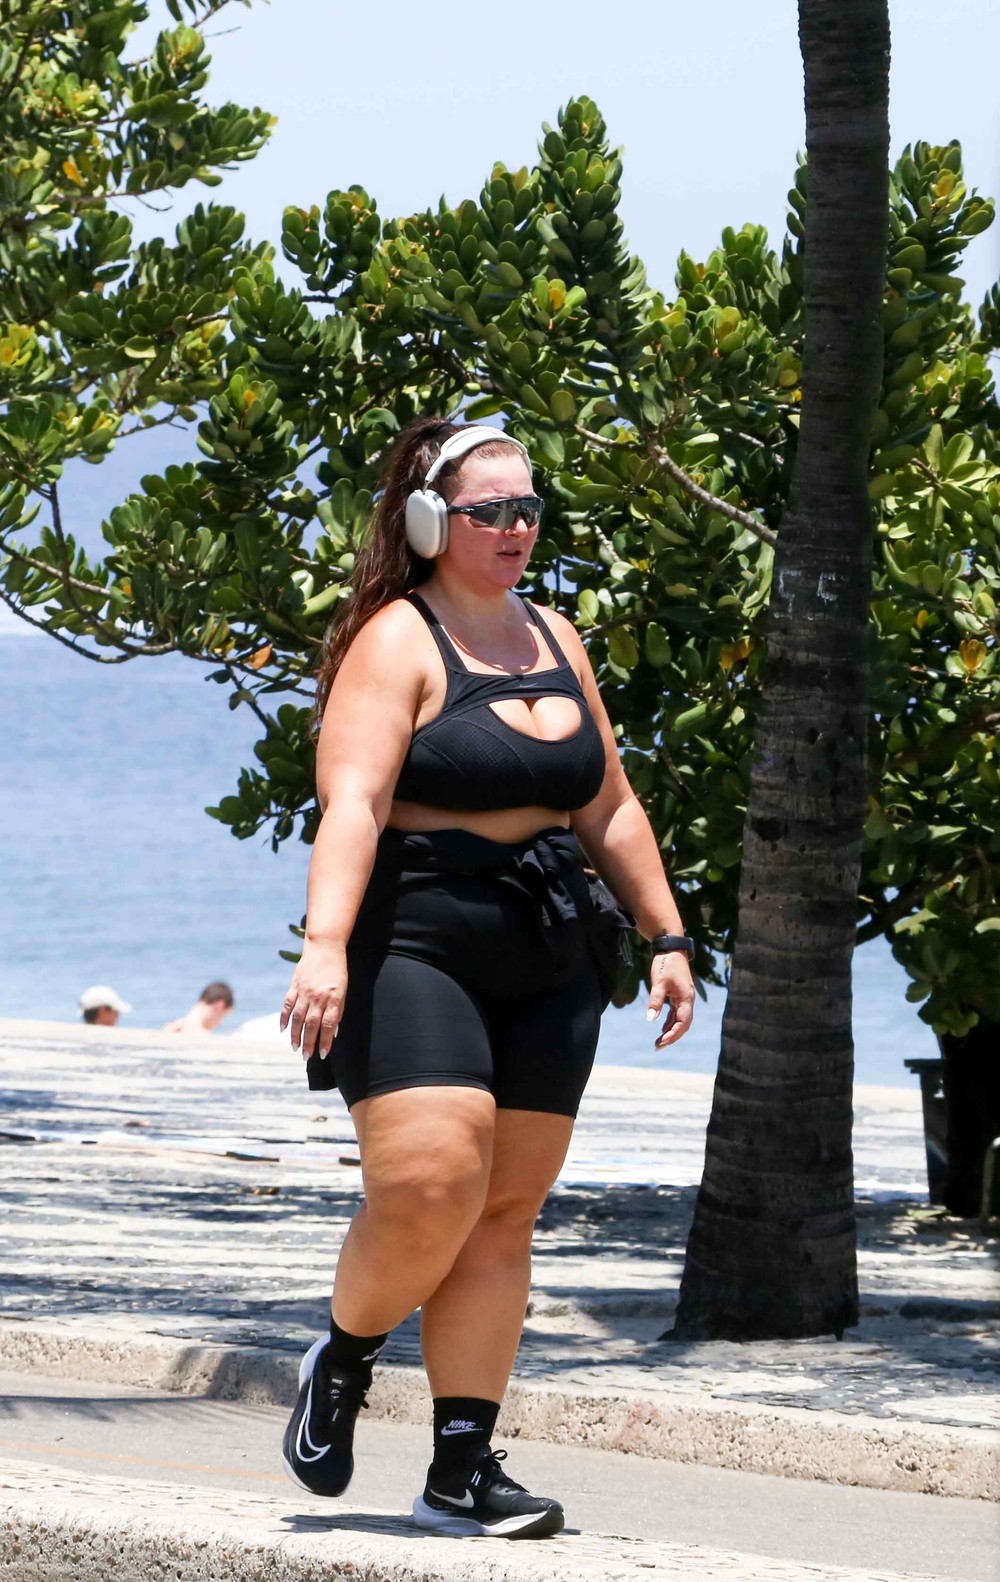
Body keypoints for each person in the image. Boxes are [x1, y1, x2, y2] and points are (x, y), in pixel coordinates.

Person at [278, 418, 695, 1540]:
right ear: (429, 523)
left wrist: (664, 934)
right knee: (426, 1189)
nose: (514, 529)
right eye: (489, 512)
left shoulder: (555, 634)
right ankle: (345, 1352)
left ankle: (459, 1471)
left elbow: (605, 801)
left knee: (506, 1209)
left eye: (527, 511)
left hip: (551, 947)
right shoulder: (395, 641)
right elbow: (353, 803)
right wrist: (325, 946)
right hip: (417, 936)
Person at [163, 981, 234, 1035]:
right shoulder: (202, 1036)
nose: (219, 1024)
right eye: (223, 1017)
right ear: (219, 1005)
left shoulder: (170, 1028)